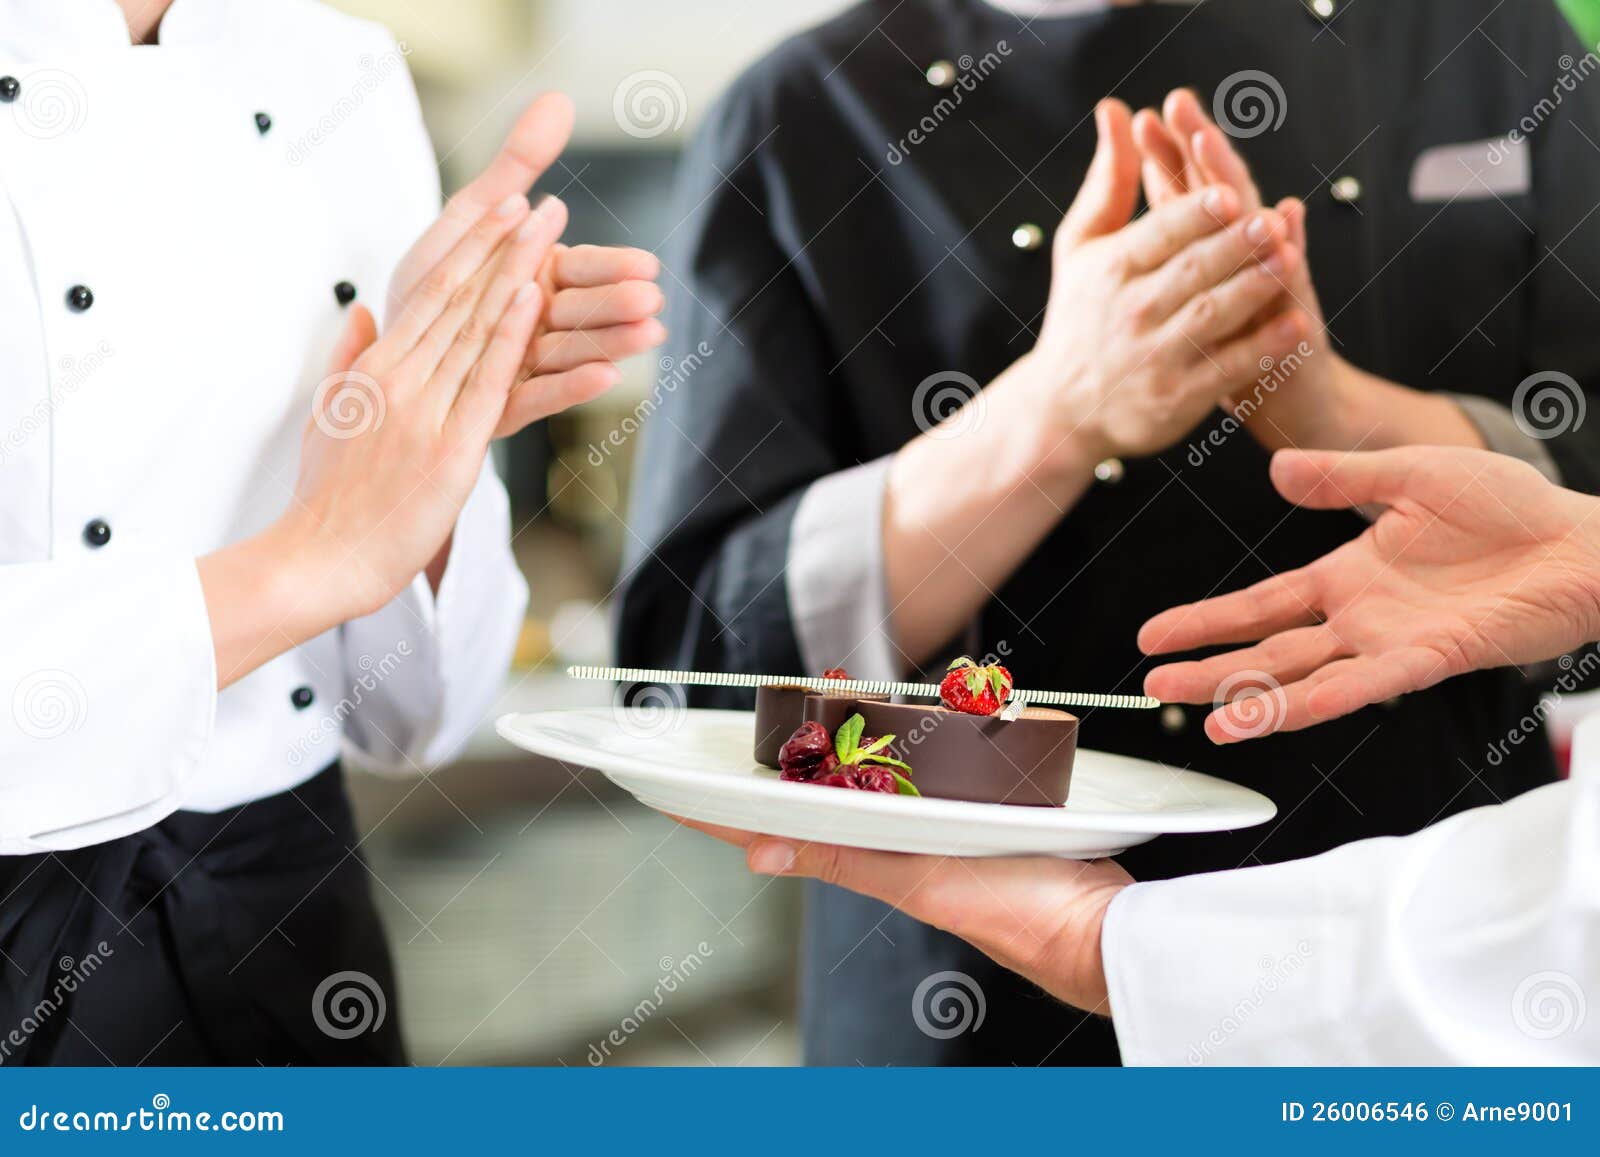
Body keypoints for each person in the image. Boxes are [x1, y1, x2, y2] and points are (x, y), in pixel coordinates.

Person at [616, 0, 1600, 1064]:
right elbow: (697, 676)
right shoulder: (801, 110)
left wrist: (1336, 414)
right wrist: (1051, 415)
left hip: (1440, 980)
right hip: (972, 993)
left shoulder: (1497, 41)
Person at [0, 0, 663, 1064]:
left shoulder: (340, 67)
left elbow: (414, 719)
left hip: (294, 909)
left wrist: (439, 420)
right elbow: (332, 551)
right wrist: (314, 559)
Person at [683, 444, 1600, 1064]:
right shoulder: (794, 147)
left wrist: (1118, 948)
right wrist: (1051, 414)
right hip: (949, 1016)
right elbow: (703, 633)